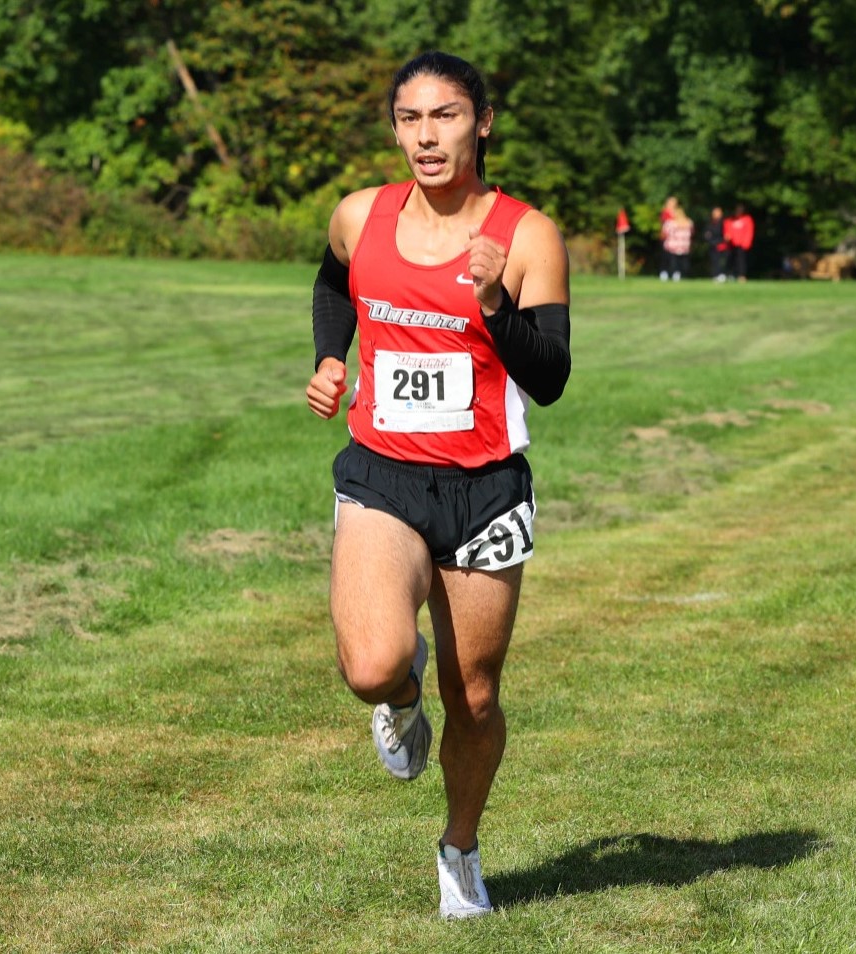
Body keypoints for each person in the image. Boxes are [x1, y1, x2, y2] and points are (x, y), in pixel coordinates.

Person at [304, 51, 571, 920]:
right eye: (410, 119)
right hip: (382, 474)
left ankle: (460, 850)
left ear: (481, 123)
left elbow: (552, 377)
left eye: (446, 116)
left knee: (478, 696)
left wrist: (494, 305)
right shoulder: (360, 214)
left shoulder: (527, 236)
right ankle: (401, 693)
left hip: (484, 489)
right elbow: (333, 280)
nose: (426, 136)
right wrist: (331, 356)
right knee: (371, 664)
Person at [660, 205, 693, 281]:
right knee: (680, 262)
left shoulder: (670, 223)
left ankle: (674, 274)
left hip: (673, 245)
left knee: (673, 262)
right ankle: (677, 274)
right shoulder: (689, 222)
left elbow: (664, 233)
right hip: (683, 245)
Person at [725, 203, 755, 281]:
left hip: (742, 244)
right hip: (732, 243)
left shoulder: (747, 219)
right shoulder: (730, 220)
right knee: (731, 260)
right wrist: (727, 236)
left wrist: (746, 242)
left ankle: (742, 275)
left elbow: (749, 232)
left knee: (741, 260)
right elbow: (727, 229)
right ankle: (731, 275)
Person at [705, 206, 728, 282]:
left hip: (722, 245)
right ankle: (715, 275)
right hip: (713, 245)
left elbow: (726, 235)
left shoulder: (724, 223)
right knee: (714, 261)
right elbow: (707, 234)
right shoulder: (710, 223)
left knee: (722, 261)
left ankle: (722, 274)